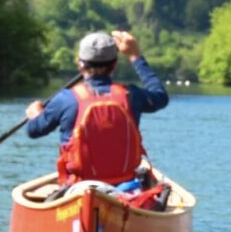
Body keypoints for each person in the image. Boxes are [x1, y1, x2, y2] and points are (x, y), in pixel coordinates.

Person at [24, 30, 168, 189]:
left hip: (78, 188)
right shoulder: (131, 95)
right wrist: (135, 56)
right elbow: (160, 96)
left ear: (80, 63)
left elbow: (34, 131)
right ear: (114, 65)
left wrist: (35, 115)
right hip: (125, 187)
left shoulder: (66, 99)